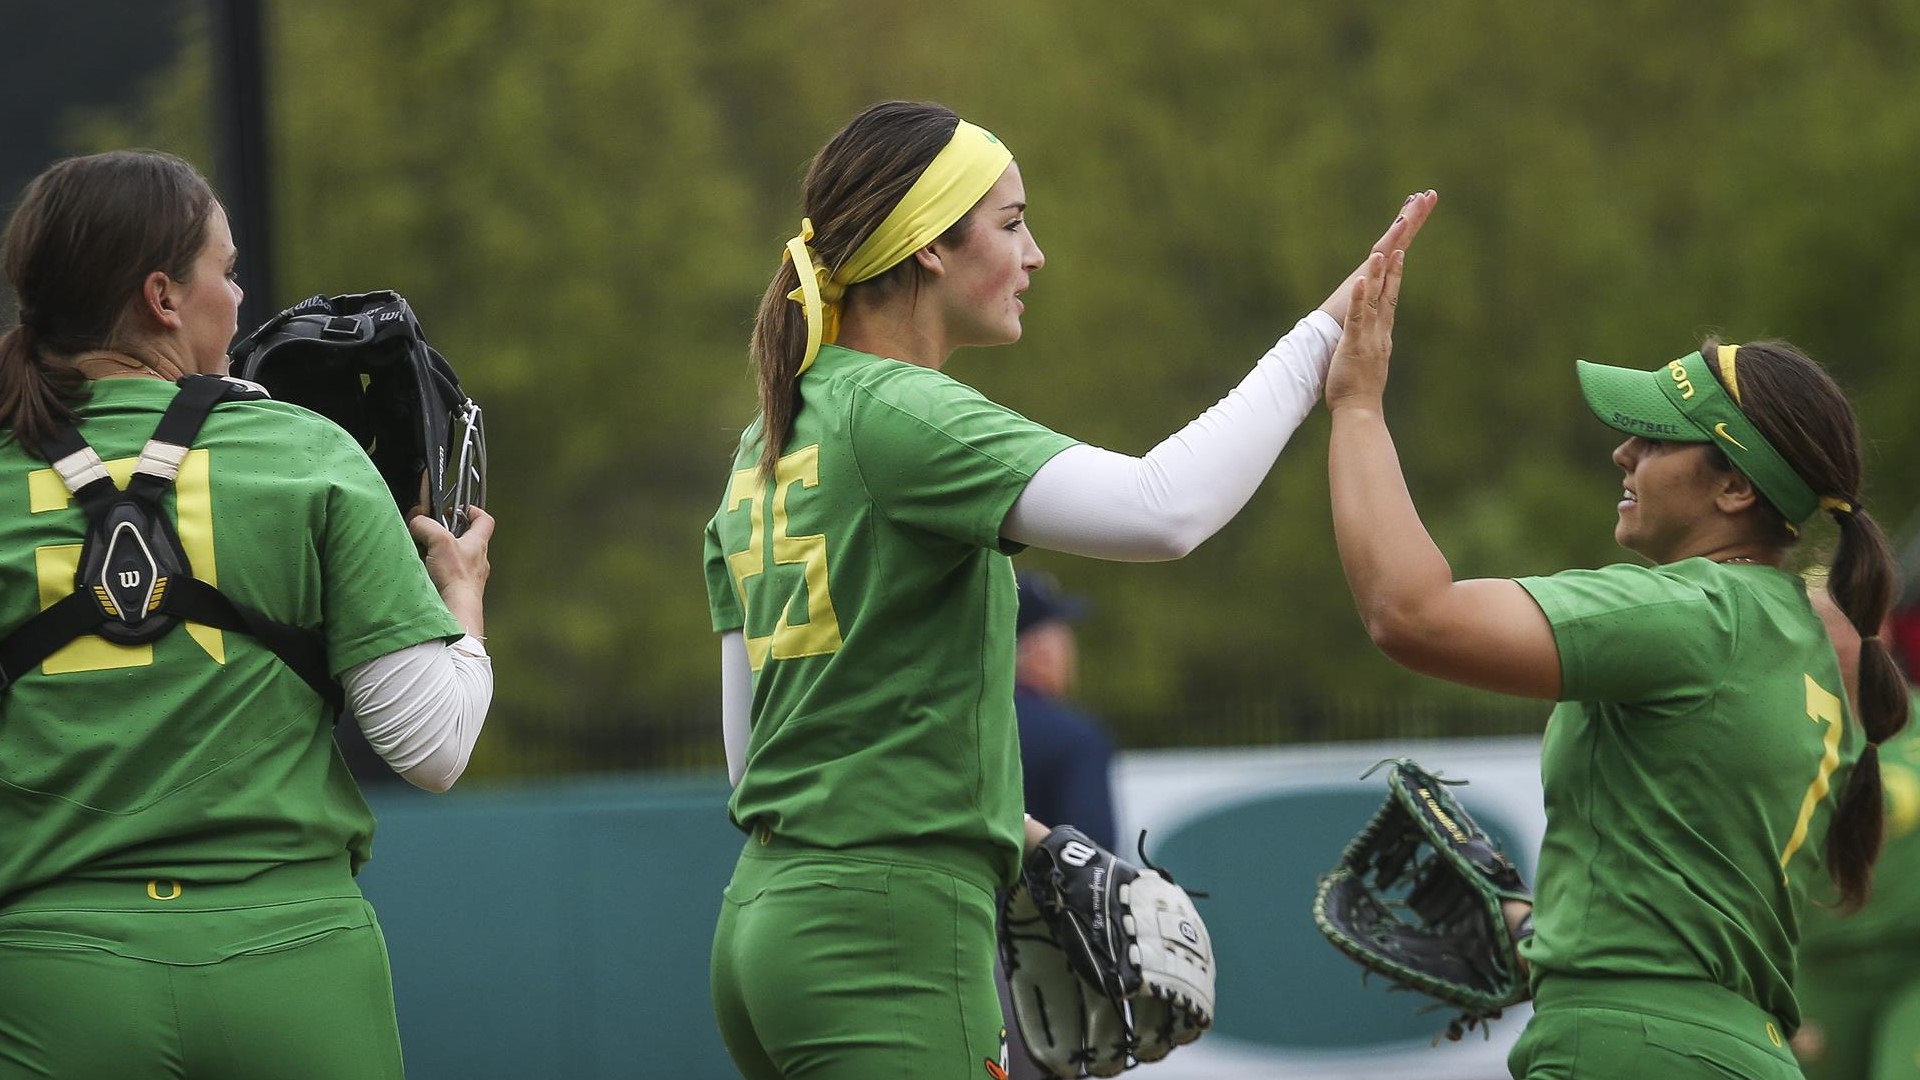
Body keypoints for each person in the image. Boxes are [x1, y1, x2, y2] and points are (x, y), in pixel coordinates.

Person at [702, 98, 1437, 1078]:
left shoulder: (768, 437)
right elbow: (1164, 509)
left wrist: (1027, 840)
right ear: (929, 247)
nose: (1035, 254)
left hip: (763, 924)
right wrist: (1319, 341)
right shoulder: (903, 411)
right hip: (884, 935)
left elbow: (757, 762)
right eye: (1011, 224)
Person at [1320, 249, 1910, 1079]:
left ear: (1736, 490)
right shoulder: (1800, 642)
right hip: (1741, 1052)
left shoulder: (1698, 613)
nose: (1623, 452)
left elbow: (1410, 615)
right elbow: (1692, 902)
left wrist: (1356, 406)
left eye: (1657, 437)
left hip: (1629, 1050)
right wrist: (1546, 935)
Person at [0, 150, 495, 1079]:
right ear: (162, 297)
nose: (238, 297)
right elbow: (433, 747)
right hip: (293, 973)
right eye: (224, 272)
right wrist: (460, 595)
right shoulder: (305, 452)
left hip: (53, 983)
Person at [1792, 585, 1920, 1080]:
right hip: (1821, 969)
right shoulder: (1782, 734)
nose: (1846, 639)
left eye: (1860, 621)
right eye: (1829, 625)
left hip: (1911, 964)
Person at [1013, 570, 1117, 851]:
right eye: (1060, 636)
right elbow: (1094, 852)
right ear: (1038, 650)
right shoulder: (1074, 738)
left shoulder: (959, 724)